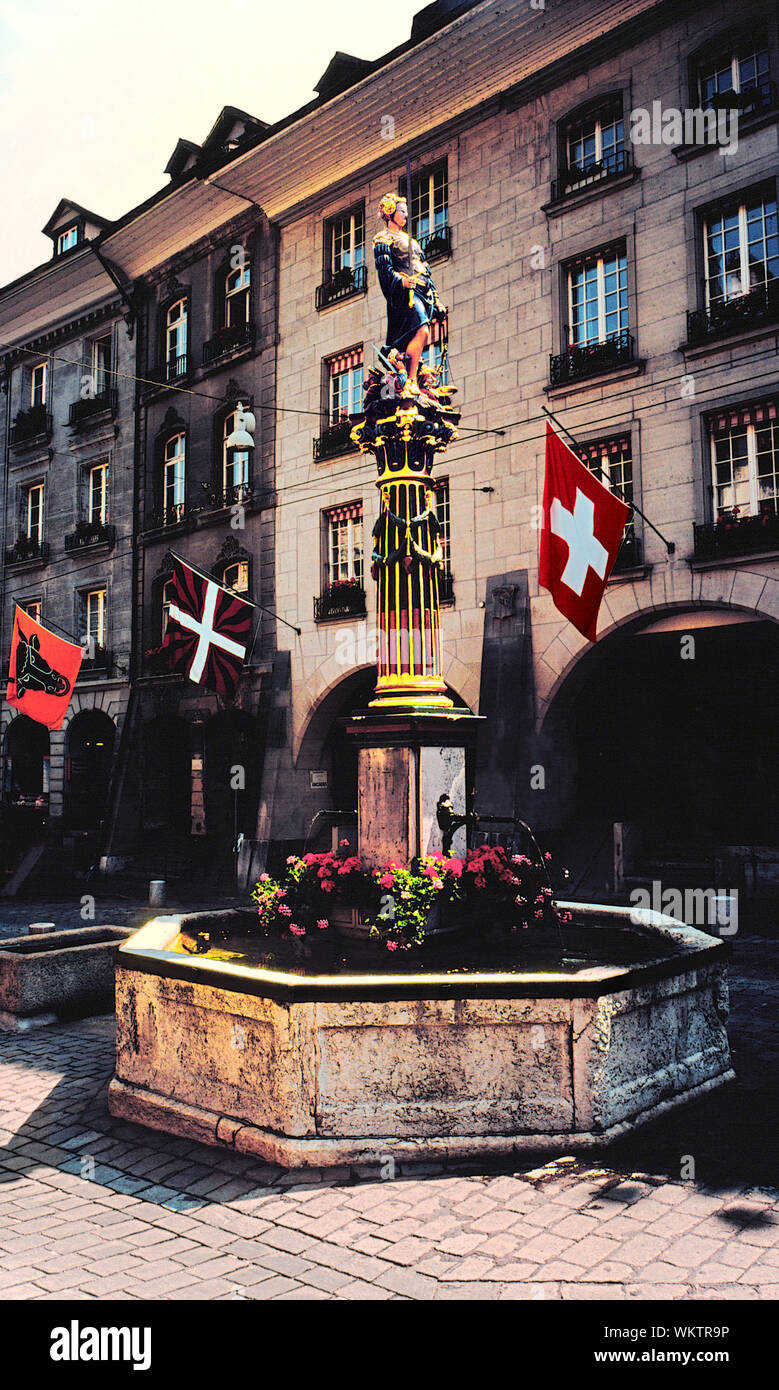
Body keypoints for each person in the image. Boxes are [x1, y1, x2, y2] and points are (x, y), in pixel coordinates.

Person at [373, 192, 446, 389]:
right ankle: (411, 382)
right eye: (402, 211)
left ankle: (408, 372)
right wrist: (401, 282)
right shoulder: (383, 239)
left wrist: (436, 299)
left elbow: (426, 270)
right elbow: (384, 271)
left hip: (423, 292)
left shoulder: (411, 240)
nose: (406, 215)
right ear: (390, 212)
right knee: (421, 329)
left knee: (421, 332)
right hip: (405, 296)